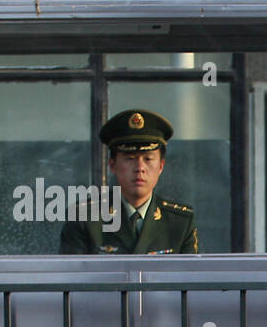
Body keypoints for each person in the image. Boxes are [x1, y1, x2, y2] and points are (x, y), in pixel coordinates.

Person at [59, 109, 198, 255]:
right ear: (112, 165)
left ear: (161, 166)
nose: (139, 168)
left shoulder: (179, 223)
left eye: (148, 159)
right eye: (129, 158)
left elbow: (191, 276)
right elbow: (71, 275)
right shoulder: (85, 219)